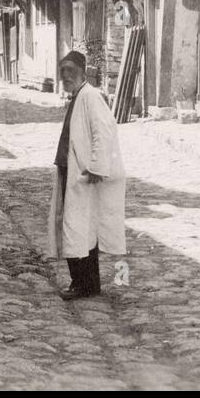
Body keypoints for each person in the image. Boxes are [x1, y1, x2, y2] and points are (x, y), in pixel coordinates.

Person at [45, 50, 126, 300]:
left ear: (83, 71)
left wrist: (96, 167)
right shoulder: (77, 96)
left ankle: (84, 284)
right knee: (78, 229)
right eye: (63, 71)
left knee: (78, 229)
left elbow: (104, 131)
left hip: (83, 174)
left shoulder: (90, 96)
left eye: (71, 70)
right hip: (70, 170)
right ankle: (85, 283)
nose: (66, 75)